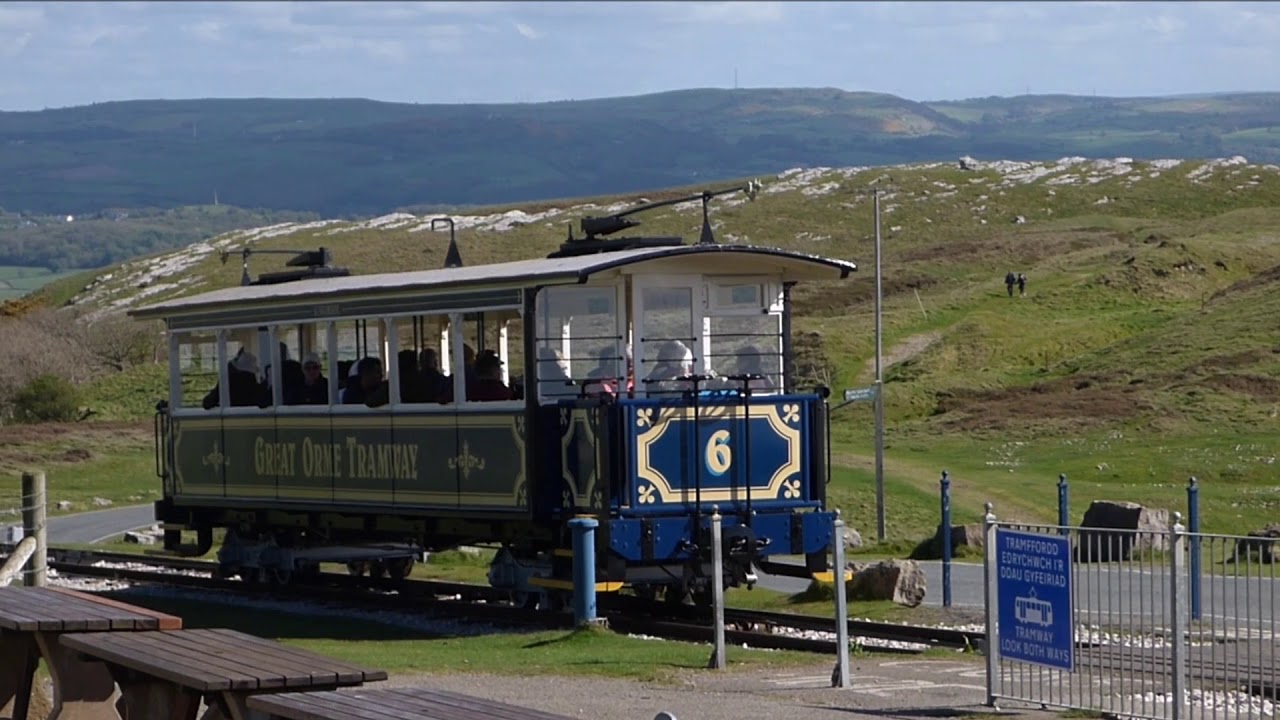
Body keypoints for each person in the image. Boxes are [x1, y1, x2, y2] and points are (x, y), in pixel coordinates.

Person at [202, 349, 266, 409]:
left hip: (230, 416)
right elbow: (263, 401)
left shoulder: (226, 383)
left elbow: (208, 402)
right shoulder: (251, 384)